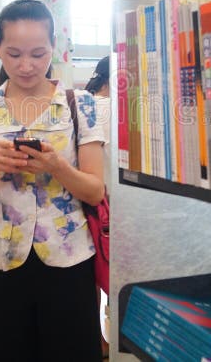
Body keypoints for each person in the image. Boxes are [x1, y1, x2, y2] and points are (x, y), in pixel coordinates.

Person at [0, 0, 106, 362]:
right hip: (4, 260)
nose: (26, 65)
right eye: (14, 53)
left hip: (70, 259)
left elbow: (95, 190)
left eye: (38, 53)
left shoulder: (79, 104)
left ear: (54, 47)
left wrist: (56, 166)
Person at [85, 55, 113, 353]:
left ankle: (98, 338)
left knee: (93, 273)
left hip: (90, 204)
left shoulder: (85, 103)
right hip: (114, 203)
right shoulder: (113, 107)